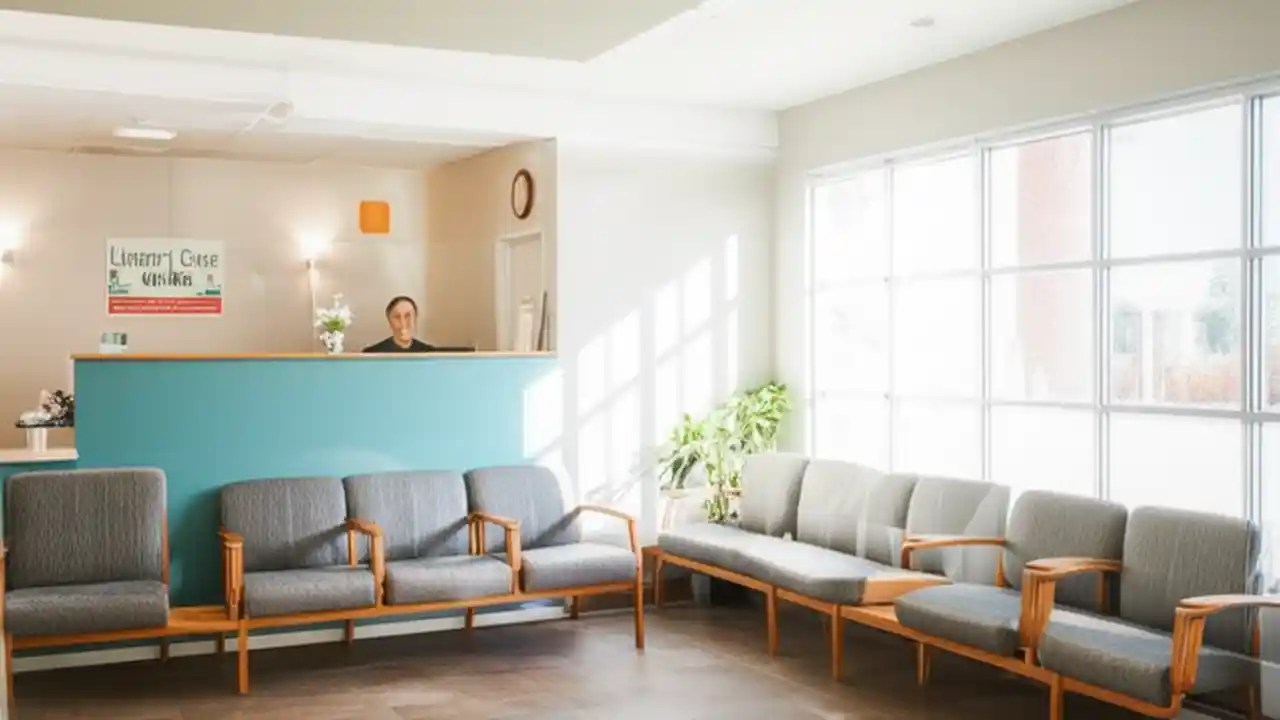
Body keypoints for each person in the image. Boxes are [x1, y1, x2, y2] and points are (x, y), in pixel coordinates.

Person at [363, 296, 436, 353]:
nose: (403, 323)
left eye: (407, 316)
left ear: (415, 318)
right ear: (389, 322)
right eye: (397, 317)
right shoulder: (372, 354)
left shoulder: (431, 354)